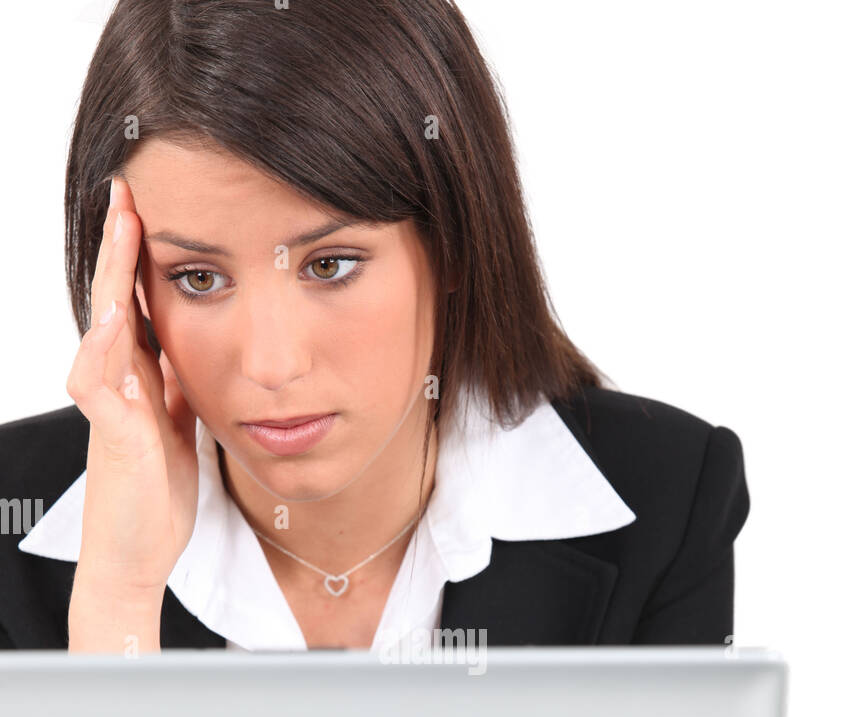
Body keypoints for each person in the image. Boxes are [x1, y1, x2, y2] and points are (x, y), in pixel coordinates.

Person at [0, 0, 749, 654]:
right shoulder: (14, 518)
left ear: (453, 240)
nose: (271, 364)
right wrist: (118, 599)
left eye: (331, 266)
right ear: (127, 286)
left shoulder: (667, 502)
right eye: (198, 279)